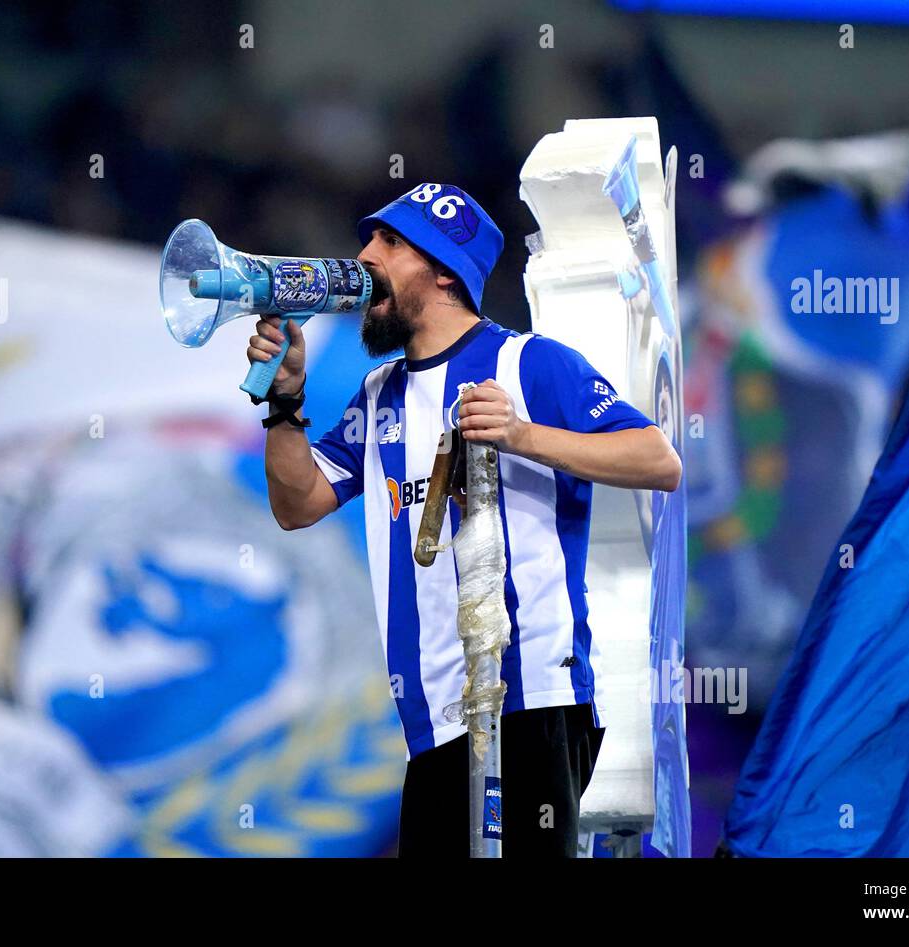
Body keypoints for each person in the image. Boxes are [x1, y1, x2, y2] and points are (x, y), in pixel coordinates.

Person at [248, 183, 681, 857]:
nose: (363, 256)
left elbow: (658, 458)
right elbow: (297, 504)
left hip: (531, 698)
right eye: (368, 238)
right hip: (432, 717)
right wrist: (283, 403)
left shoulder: (529, 361)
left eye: (389, 242)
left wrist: (522, 433)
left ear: (445, 272)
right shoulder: (378, 393)